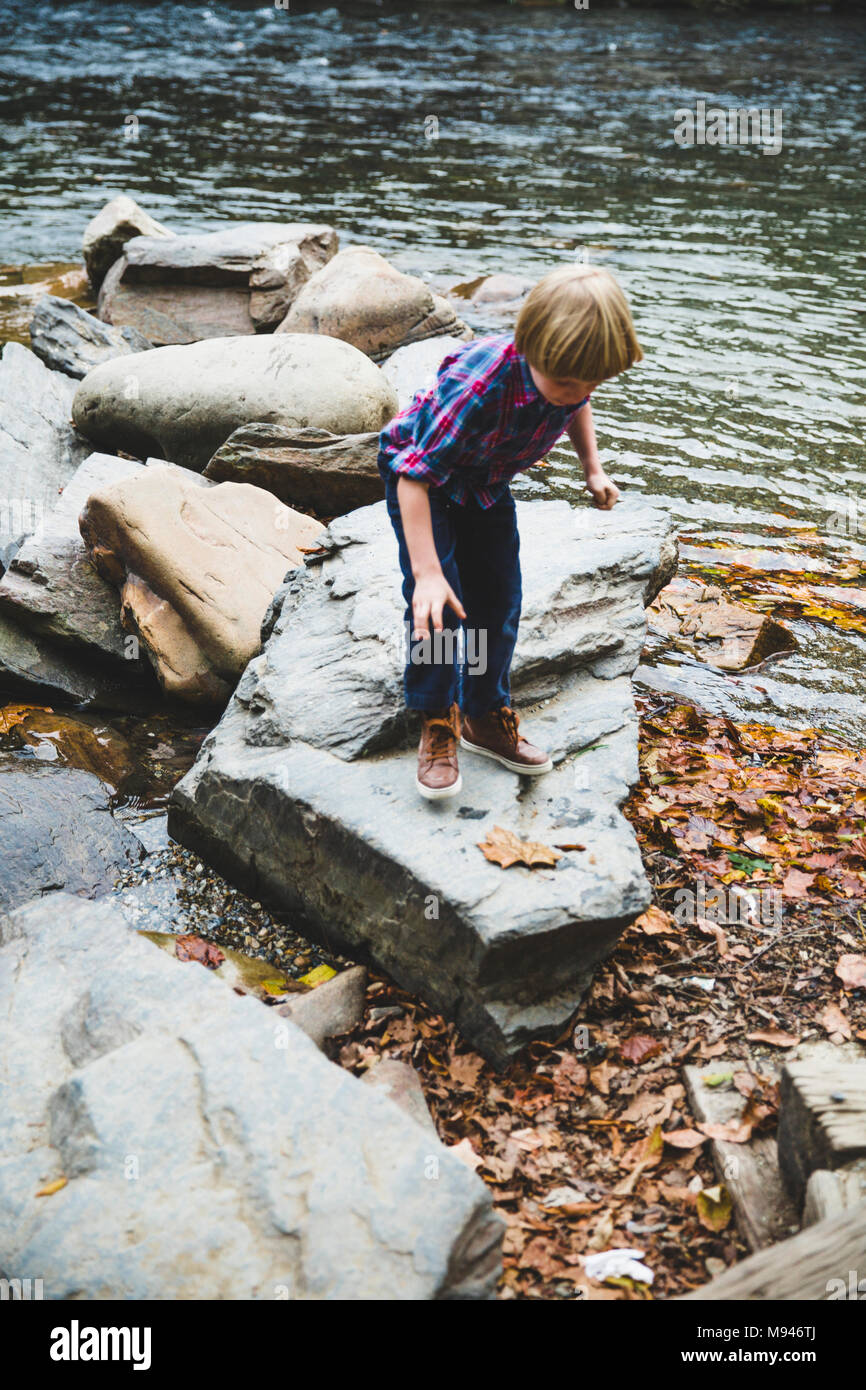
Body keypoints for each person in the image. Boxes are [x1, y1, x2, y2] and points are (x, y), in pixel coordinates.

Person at [378, 263, 643, 800]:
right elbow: (412, 474)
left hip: (485, 482)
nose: (578, 393)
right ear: (531, 349)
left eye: (590, 383)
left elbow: (578, 404)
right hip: (425, 483)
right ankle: (437, 719)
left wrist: (592, 467)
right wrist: (427, 572)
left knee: (497, 599)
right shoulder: (478, 385)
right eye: (568, 383)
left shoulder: (570, 377)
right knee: (440, 610)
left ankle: (480, 712)